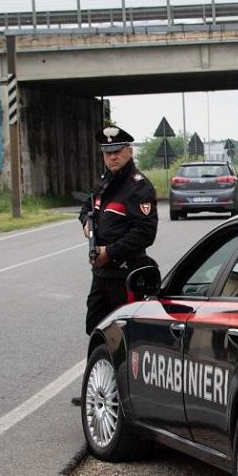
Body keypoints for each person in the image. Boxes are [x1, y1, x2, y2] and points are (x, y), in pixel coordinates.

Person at [80, 125, 158, 334]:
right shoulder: (104, 182)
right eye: (108, 153)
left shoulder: (138, 187)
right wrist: (85, 223)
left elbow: (145, 232)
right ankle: (103, 364)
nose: (112, 157)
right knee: (95, 328)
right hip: (102, 272)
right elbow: (87, 207)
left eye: (117, 151)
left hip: (126, 274)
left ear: (129, 151)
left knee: (125, 334)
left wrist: (110, 252)